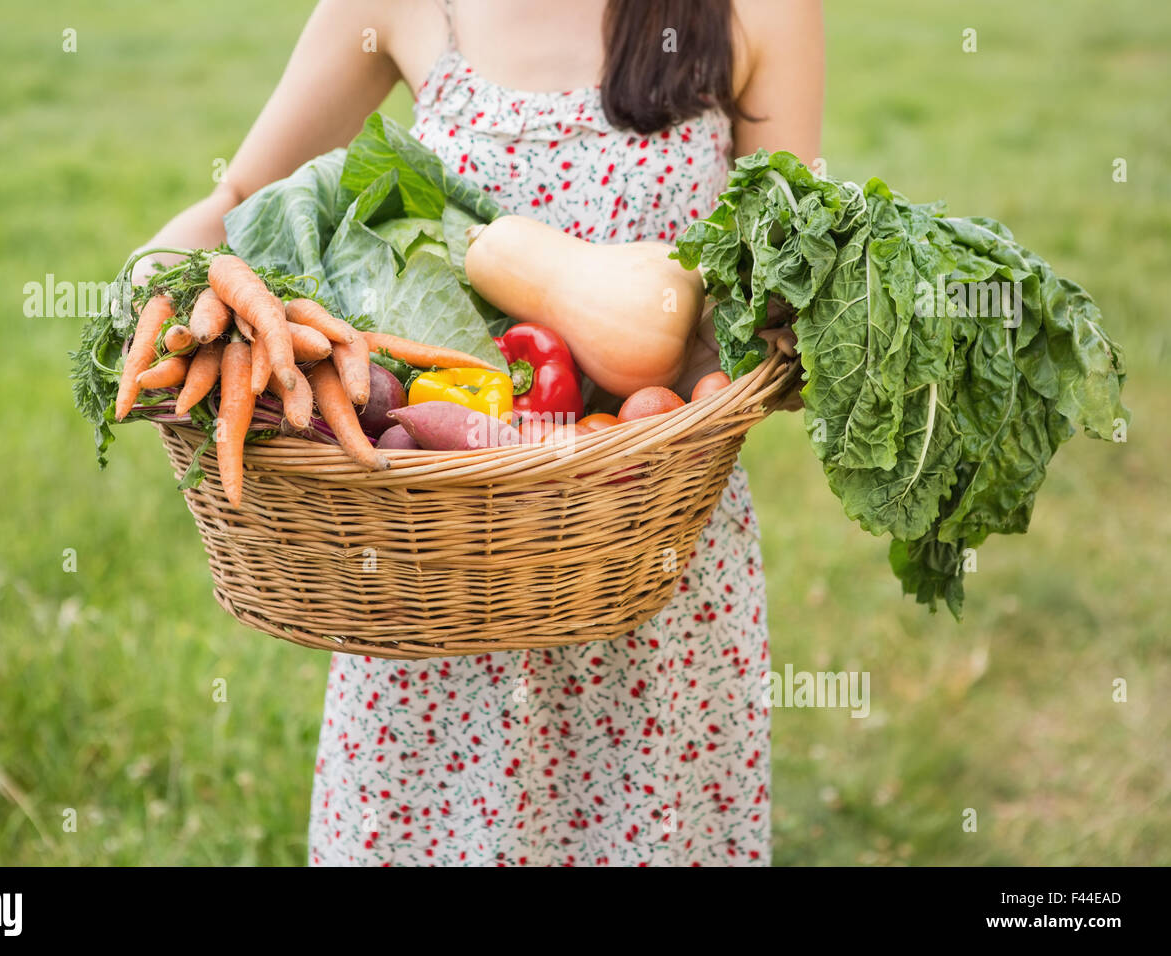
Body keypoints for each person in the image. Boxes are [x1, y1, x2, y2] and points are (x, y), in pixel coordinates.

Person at [135, 0, 823, 865]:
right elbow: (237, 198)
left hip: (651, 571)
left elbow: (788, 280)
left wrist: (783, 351)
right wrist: (136, 297)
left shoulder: (761, 10)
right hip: (436, 566)